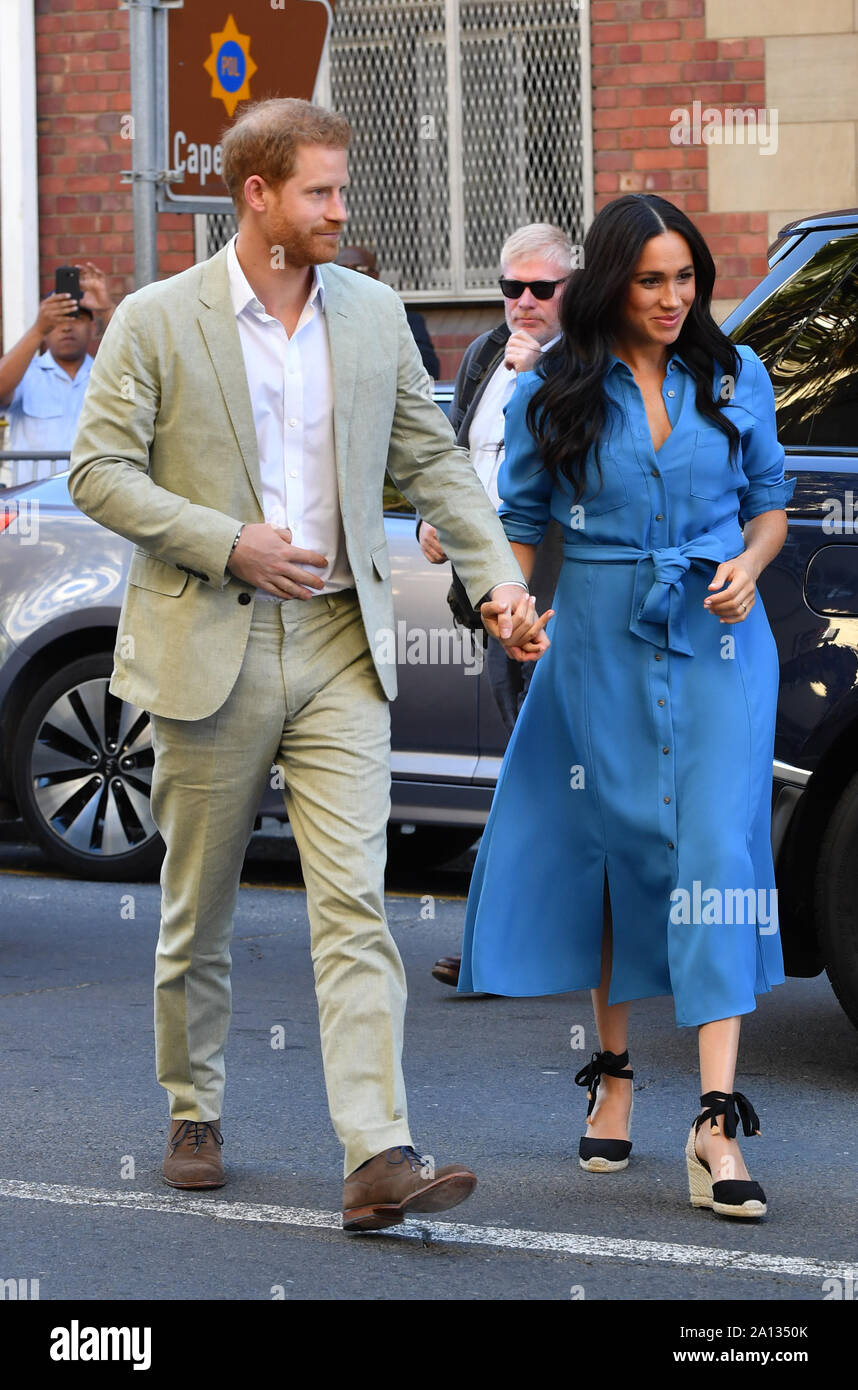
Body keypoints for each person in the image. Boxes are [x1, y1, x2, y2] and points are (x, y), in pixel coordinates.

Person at [69, 98, 550, 1233]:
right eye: (320, 191)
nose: (341, 209)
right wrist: (224, 539)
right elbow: (97, 471)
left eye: (342, 187)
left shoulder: (374, 314)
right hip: (212, 638)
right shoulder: (157, 319)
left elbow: (435, 463)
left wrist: (497, 582)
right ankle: (194, 1107)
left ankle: (377, 1150)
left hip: (341, 642)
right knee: (198, 905)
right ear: (258, 195)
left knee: (354, 906)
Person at [459, 193, 795, 1221]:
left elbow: (769, 506)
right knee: (615, 851)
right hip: (597, 639)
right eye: (651, 279)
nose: (672, 297)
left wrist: (748, 565)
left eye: (685, 277)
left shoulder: (735, 374)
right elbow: (519, 524)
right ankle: (612, 1072)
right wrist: (510, 606)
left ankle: (716, 1119)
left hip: (721, 642)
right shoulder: (550, 390)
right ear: (611, 282)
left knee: (719, 856)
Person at [423, 223, 571, 989]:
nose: (524, 302)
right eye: (512, 287)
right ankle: (517, 944)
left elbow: (577, 463)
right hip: (495, 596)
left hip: (558, 597)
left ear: (572, 289)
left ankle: (510, 946)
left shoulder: (587, 362)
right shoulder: (486, 352)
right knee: (527, 769)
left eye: (541, 288)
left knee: (548, 772)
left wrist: (539, 374)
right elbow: (453, 453)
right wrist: (434, 514)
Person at [0, 264, 115, 483]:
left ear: (93, 328)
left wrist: (107, 309)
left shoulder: (108, 374)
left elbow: (144, 364)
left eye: (76, 317)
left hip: (95, 499)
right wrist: (37, 329)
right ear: (46, 330)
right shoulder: (26, 374)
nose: (66, 327)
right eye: (58, 320)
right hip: (37, 498)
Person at [335, 244, 440, 378]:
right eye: (341, 270)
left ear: (375, 275)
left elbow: (428, 371)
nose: (349, 276)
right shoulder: (319, 318)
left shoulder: (407, 321)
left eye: (359, 270)